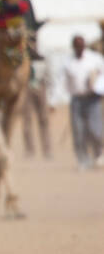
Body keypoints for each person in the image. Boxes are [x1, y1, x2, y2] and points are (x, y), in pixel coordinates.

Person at [61, 35, 104, 169]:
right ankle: (83, 160)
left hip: (93, 99)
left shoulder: (94, 59)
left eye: (81, 45)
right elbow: (62, 81)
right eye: (77, 46)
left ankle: (99, 155)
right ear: (74, 47)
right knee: (79, 132)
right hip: (77, 100)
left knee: (95, 129)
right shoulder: (68, 62)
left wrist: (98, 88)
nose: (80, 48)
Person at [21, 43, 52, 159]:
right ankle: (29, 150)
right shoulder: (23, 61)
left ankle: (47, 149)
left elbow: (49, 77)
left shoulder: (43, 61)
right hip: (26, 89)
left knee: (44, 120)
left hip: (40, 87)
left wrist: (52, 98)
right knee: (27, 121)